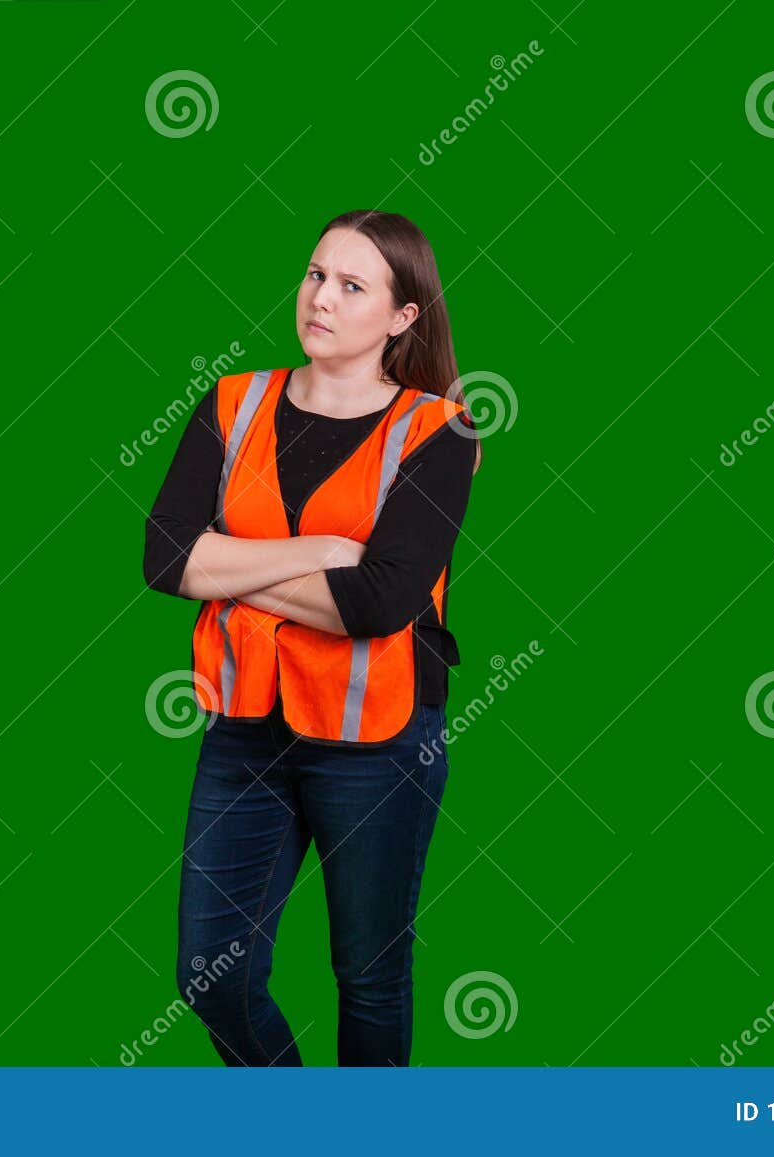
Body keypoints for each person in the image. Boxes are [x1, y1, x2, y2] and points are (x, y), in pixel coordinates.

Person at [142, 209, 480, 1066]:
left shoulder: (439, 431)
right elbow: (163, 558)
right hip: (244, 729)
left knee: (368, 977)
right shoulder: (232, 401)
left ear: (404, 317)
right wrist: (324, 553)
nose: (321, 298)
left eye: (352, 285)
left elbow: (378, 604)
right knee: (209, 975)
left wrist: (233, 568)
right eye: (315, 275)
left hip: (379, 740)